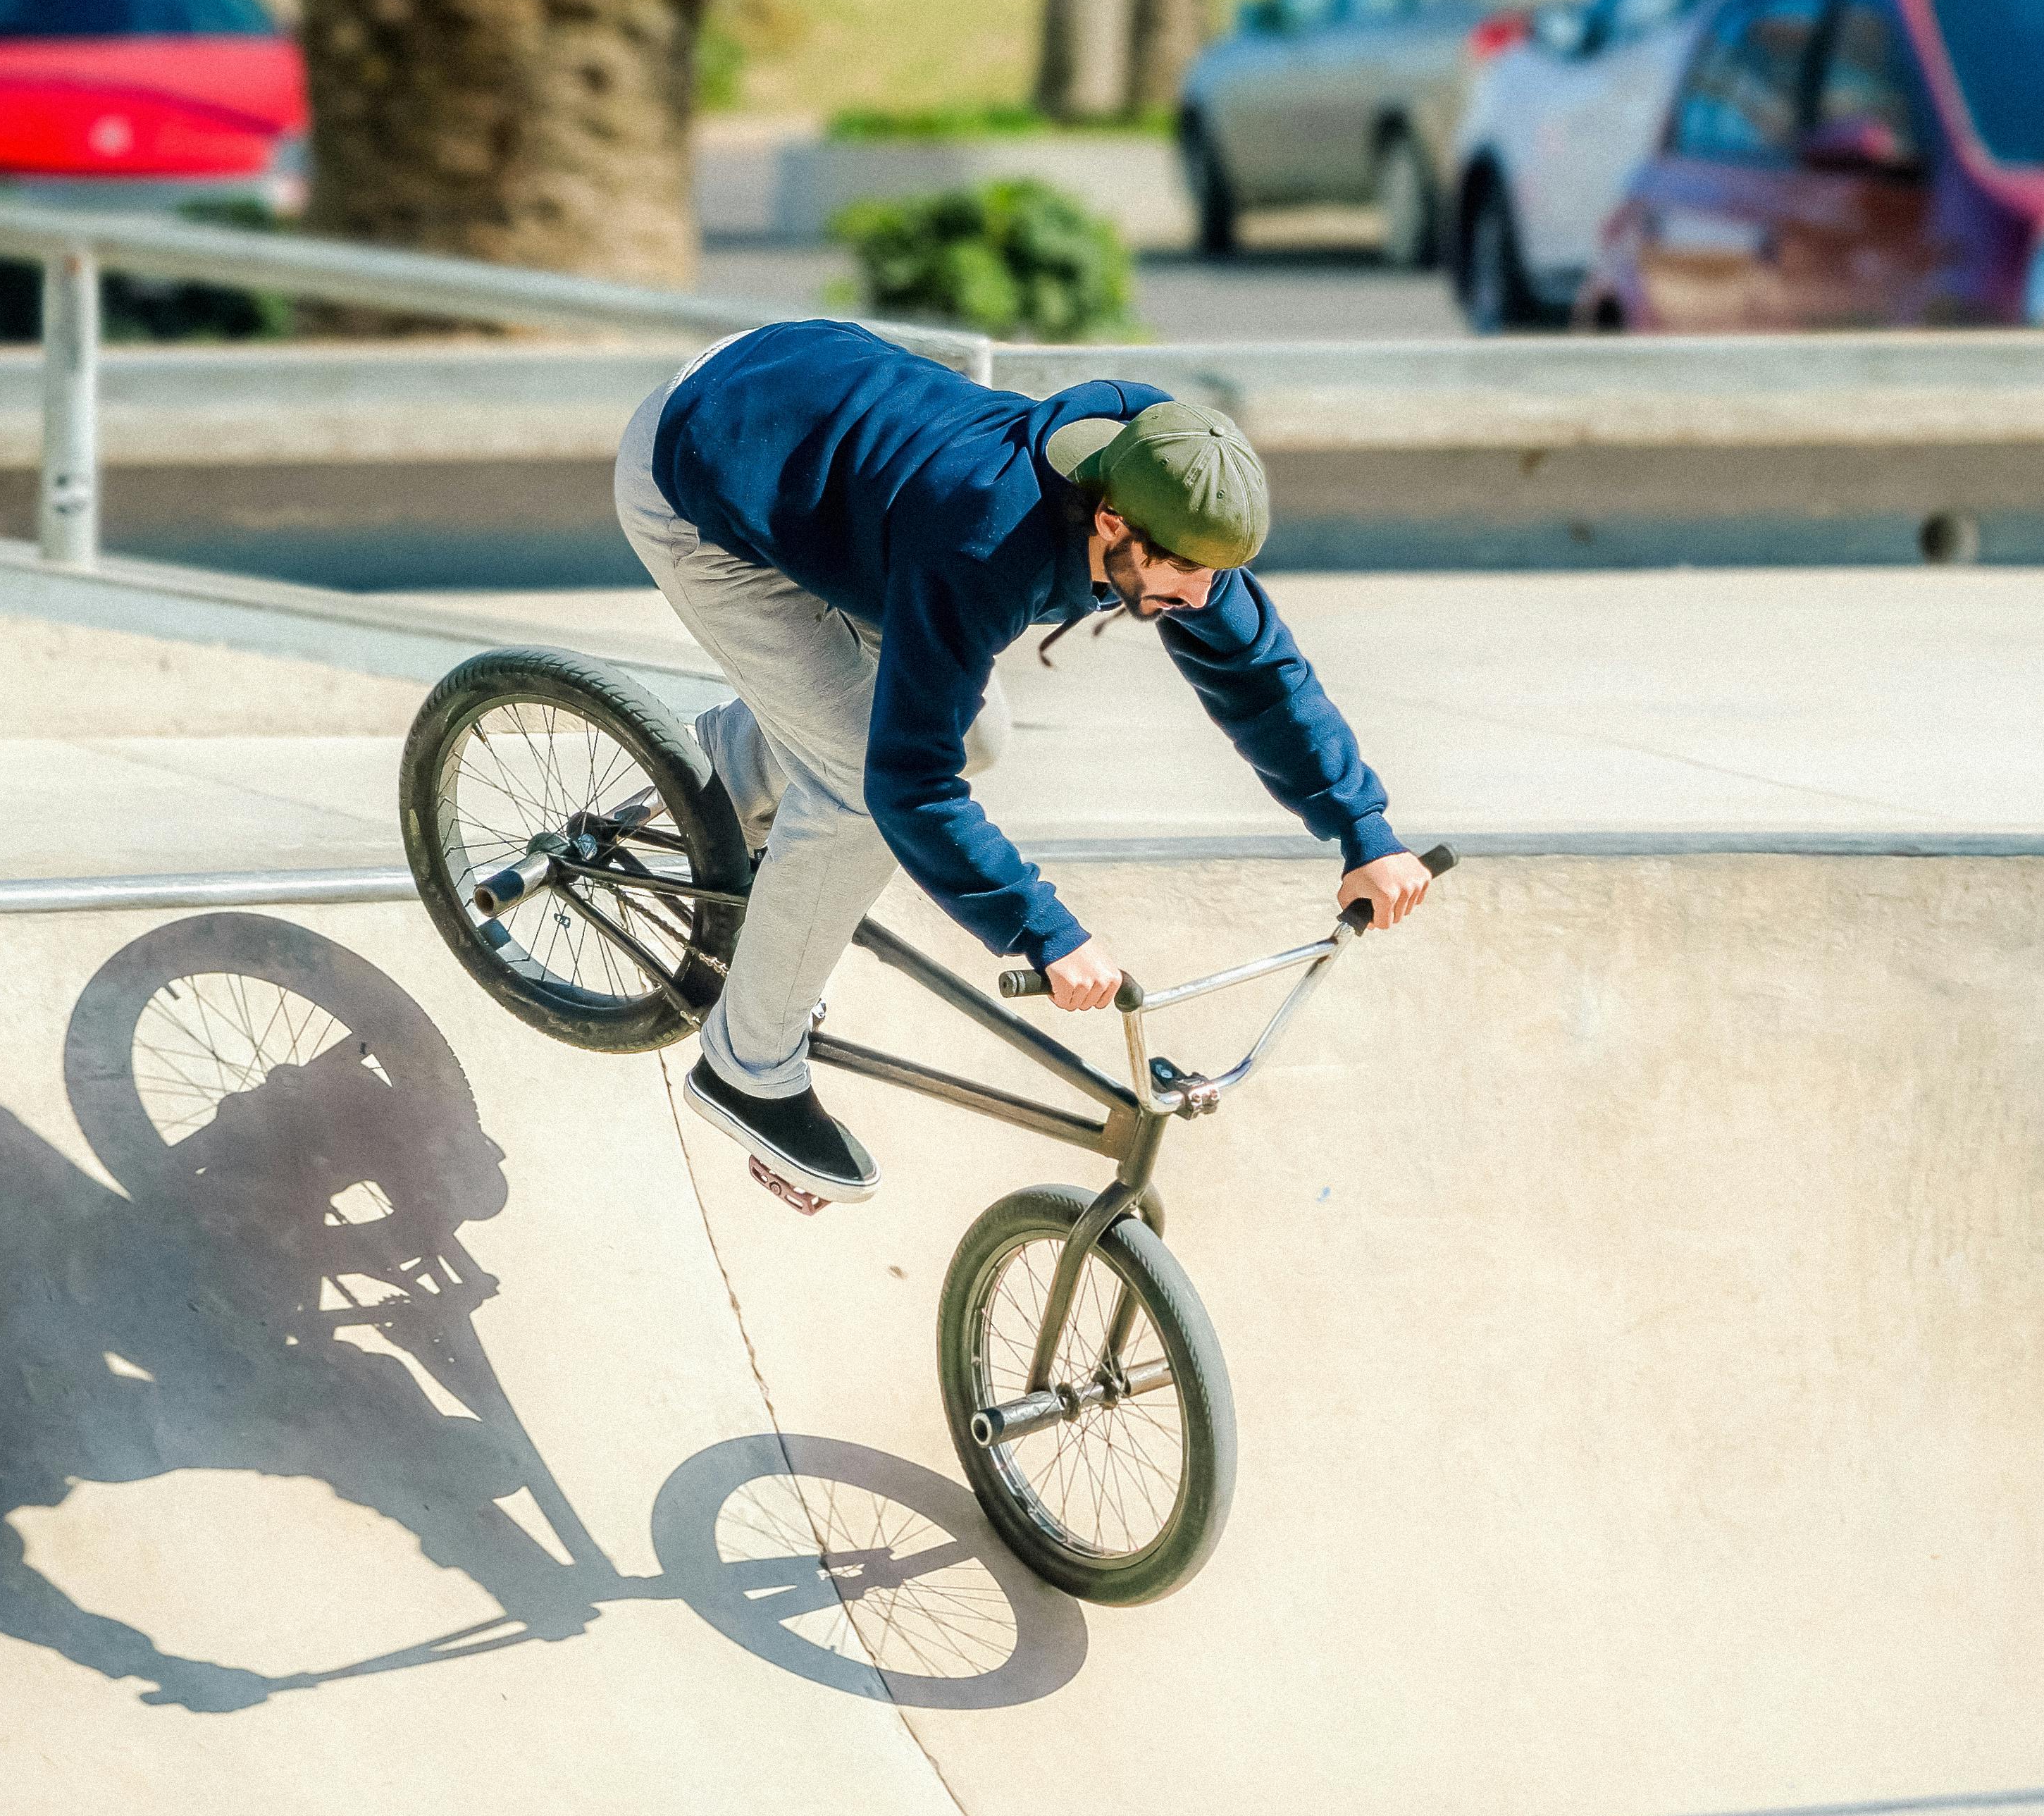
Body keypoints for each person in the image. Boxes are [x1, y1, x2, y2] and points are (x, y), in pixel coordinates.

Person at [615, 318, 1435, 1202]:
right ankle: (746, 1070)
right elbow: (908, 786)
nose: (1199, 597)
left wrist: (1362, 829)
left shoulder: (1169, 486)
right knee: (858, 787)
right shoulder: (982, 542)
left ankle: (715, 779)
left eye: (1215, 575)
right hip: (703, 467)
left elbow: (1261, 677)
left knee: (975, 736)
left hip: (826, 447)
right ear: (1112, 520)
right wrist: (1042, 931)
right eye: (1182, 573)